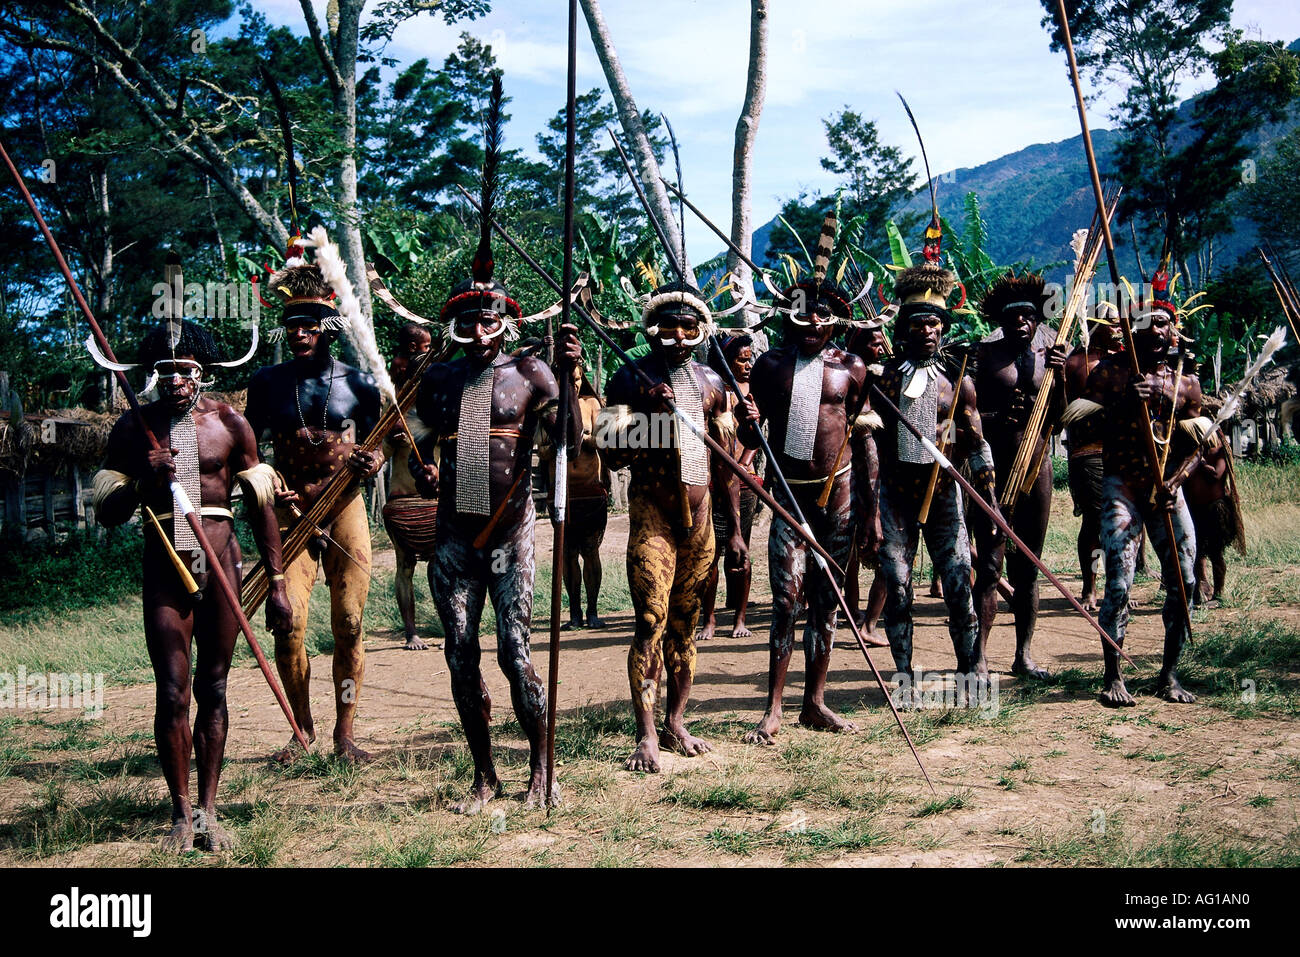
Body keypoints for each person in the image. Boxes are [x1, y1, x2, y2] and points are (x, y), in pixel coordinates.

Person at [411, 147, 582, 811]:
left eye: (489, 320)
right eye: (468, 321)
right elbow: (420, 441)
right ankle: (484, 776)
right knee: (459, 653)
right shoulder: (441, 379)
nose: (479, 330)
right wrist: (421, 469)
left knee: (514, 653)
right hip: (454, 538)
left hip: (511, 533)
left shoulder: (532, 372)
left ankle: (544, 769)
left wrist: (569, 374)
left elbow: (568, 436)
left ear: (506, 320)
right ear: (455, 325)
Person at [93, 317, 290, 852]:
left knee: (215, 688)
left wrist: (276, 581)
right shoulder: (135, 429)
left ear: (202, 372)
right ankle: (180, 813)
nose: (176, 380)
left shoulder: (231, 423)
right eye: (165, 371)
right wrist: (145, 477)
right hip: (164, 569)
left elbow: (263, 506)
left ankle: (208, 808)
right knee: (174, 689)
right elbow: (107, 514)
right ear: (155, 374)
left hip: (222, 564)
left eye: (185, 371)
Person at [244, 252, 385, 763]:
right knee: (290, 623)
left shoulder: (358, 382)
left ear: (326, 327)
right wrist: (265, 479)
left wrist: (372, 461)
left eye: (307, 325)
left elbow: (380, 440)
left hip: (342, 505)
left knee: (349, 622)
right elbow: (248, 449)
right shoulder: (266, 384)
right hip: (288, 512)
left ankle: (345, 733)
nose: (298, 333)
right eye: (291, 326)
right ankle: (301, 730)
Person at [598, 279, 740, 772]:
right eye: (668, 326)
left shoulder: (714, 383)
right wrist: (649, 416)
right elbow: (611, 454)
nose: (678, 336)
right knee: (649, 623)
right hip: (654, 516)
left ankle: (677, 720)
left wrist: (736, 528)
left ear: (701, 331)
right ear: (652, 329)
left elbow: (727, 462)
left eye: (688, 327)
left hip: (701, 523)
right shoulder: (627, 379)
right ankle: (645, 732)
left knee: (686, 627)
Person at [740, 257, 878, 744]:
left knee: (828, 602)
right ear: (788, 315)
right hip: (788, 501)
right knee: (785, 602)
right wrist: (748, 417)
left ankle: (815, 703)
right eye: (803, 311)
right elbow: (749, 436)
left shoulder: (852, 368)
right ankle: (773, 707)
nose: (813, 319)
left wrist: (872, 515)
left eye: (822, 312)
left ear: (837, 317)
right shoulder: (770, 365)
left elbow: (863, 440)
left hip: (838, 499)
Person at [1071, 274, 1203, 705]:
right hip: (1122, 484)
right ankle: (1112, 676)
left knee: (1183, 580)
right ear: (1134, 330)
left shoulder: (1186, 382)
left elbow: (1200, 445)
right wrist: (1126, 400)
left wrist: (1176, 481)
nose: (1159, 331)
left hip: (1166, 489)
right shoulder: (1109, 374)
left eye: (1165, 324)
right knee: (1120, 583)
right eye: (1149, 323)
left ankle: (1169, 674)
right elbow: (1081, 430)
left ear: (1173, 330)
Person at [875, 257, 1001, 701]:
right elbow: (868, 439)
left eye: (933, 324)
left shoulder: (957, 384)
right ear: (904, 329)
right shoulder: (882, 382)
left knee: (958, 583)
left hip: (945, 496)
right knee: (897, 584)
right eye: (917, 324)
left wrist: (988, 493)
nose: (926, 331)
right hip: (895, 498)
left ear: (943, 329)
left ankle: (971, 669)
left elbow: (975, 441)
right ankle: (904, 675)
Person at [970, 272, 1067, 679]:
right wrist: (995, 418)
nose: (1022, 323)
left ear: (1039, 319)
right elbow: (965, 416)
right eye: (1015, 318)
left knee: (1028, 566)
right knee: (990, 565)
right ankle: (978, 656)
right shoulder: (984, 356)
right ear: (1003, 321)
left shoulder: (1052, 357)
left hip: (1036, 467)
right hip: (993, 467)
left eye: (1030, 316)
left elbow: (1059, 421)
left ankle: (1023, 655)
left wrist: (1060, 377)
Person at [697, 333, 761, 642]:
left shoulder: (751, 393)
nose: (748, 365)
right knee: (711, 554)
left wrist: (746, 462)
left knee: (739, 552)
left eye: (750, 358)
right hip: (712, 483)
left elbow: (755, 437)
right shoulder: (710, 390)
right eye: (741, 359)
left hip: (744, 484)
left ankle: (739, 617)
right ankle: (708, 620)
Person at [539, 361, 611, 630]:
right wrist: (560, 443)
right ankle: (574, 614)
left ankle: (592, 612)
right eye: (569, 379)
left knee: (591, 552)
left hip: (590, 493)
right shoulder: (546, 409)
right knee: (567, 554)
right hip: (561, 495)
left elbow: (607, 441)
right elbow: (541, 450)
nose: (575, 384)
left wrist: (583, 439)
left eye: (578, 378)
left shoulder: (592, 404)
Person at [381, 322, 439, 650]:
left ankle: (444, 622)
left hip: (435, 498)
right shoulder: (394, 402)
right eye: (424, 346)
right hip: (402, 499)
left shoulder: (439, 399)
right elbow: (380, 448)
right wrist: (392, 437)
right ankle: (410, 631)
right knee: (405, 565)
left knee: (438, 563)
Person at [1061, 309, 1123, 612]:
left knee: (1122, 520)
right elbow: (1064, 409)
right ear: (1096, 327)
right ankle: (1090, 587)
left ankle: (1117, 584)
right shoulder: (1076, 363)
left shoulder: (1121, 361)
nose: (1118, 330)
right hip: (1089, 451)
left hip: (1121, 450)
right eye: (1112, 325)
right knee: (1095, 521)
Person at [844, 319, 891, 643]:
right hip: (856, 476)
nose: (879, 348)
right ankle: (863, 620)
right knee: (856, 550)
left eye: (880, 343)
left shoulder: (885, 378)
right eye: (872, 343)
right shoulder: (852, 378)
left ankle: (862, 616)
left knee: (882, 553)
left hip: (882, 476)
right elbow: (867, 445)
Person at [1183, 398, 1244, 607]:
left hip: (1215, 508)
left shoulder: (1217, 448)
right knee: (1197, 553)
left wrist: (1199, 464)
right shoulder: (1190, 446)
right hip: (1195, 509)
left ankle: (1219, 592)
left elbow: (1217, 474)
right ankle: (1201, 588)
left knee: (1216, 553)